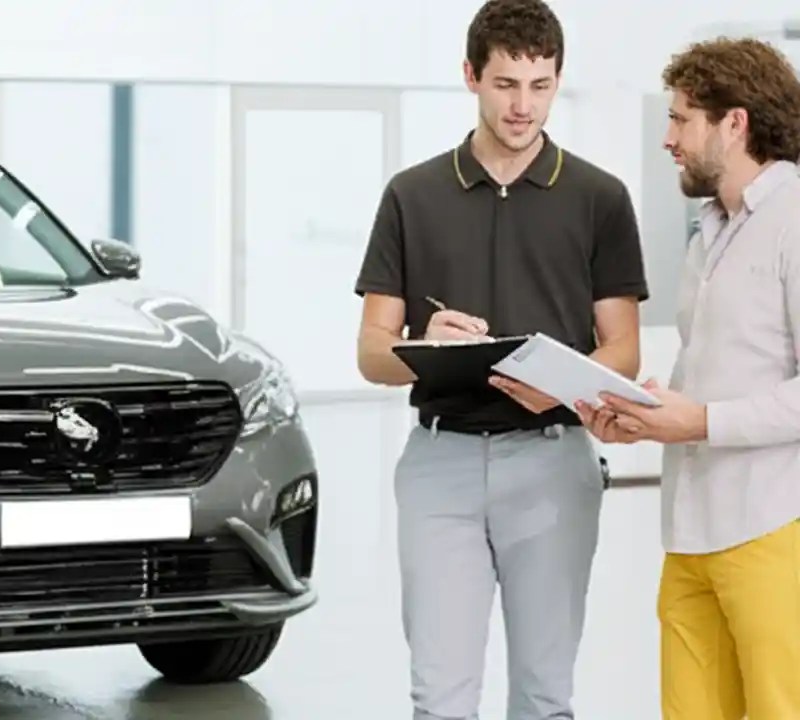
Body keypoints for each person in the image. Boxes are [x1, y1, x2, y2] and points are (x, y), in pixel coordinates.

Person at [353, 0, 649, 717]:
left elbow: (625, 349)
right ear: (471, 77)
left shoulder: (600, 199)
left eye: (540, 85)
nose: (524, 106)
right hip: (438, 469)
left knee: (545, 697)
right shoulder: (411, 195)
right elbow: (371, 352)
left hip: (553, 462)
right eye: (506, 84)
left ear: (557, 80)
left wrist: (562, 390)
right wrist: (423, 348)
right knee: (439, 697)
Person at [578, 36, 800, 719]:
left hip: (771, 530)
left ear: (735, 123)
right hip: (688, 535)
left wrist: (698, 422)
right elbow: (717, 365)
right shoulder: (709, 232)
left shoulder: (794, 221)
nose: (668, 138)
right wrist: (638, 413)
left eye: (680, 119)